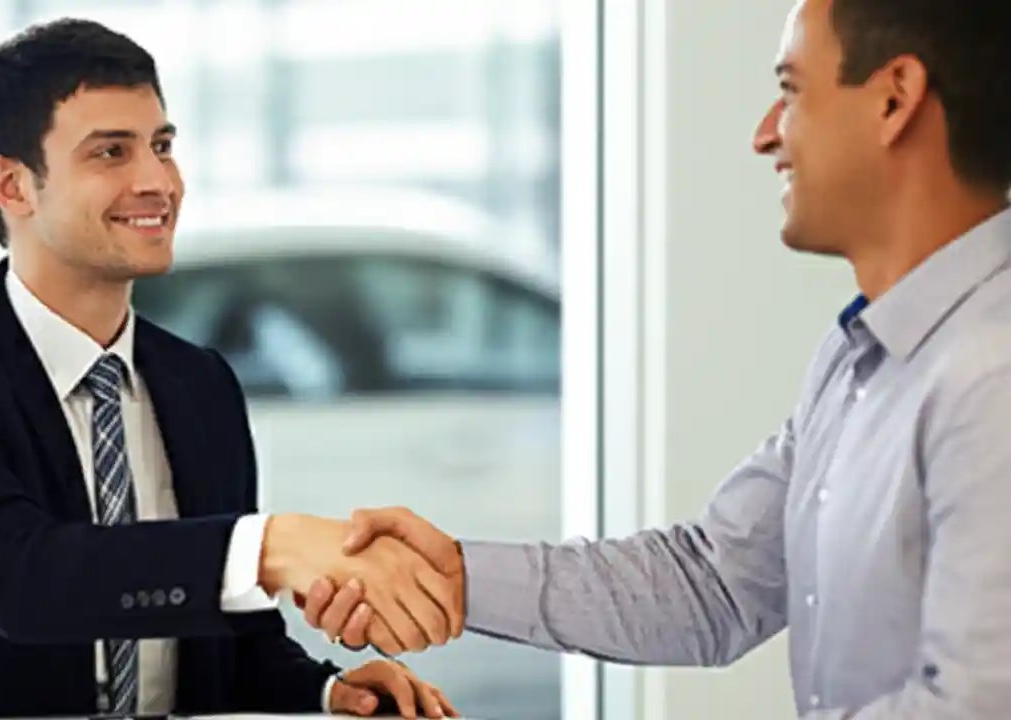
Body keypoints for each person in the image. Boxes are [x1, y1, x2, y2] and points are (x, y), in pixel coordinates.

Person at [305, 0, 1011, 717]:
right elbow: (716, 583)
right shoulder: (857, 360)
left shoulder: (991, 376)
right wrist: (456, 578)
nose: (766, 133)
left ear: (895, 98)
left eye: (792, 91)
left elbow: (973, 706)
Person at [0, 18, 461, 719]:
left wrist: (326, 691)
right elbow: (19, 582)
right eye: (111, 152)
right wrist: (270, 546)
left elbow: (228, 638)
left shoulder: (199, 384)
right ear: (11, 184)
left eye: (162, 146)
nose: (157, 182)